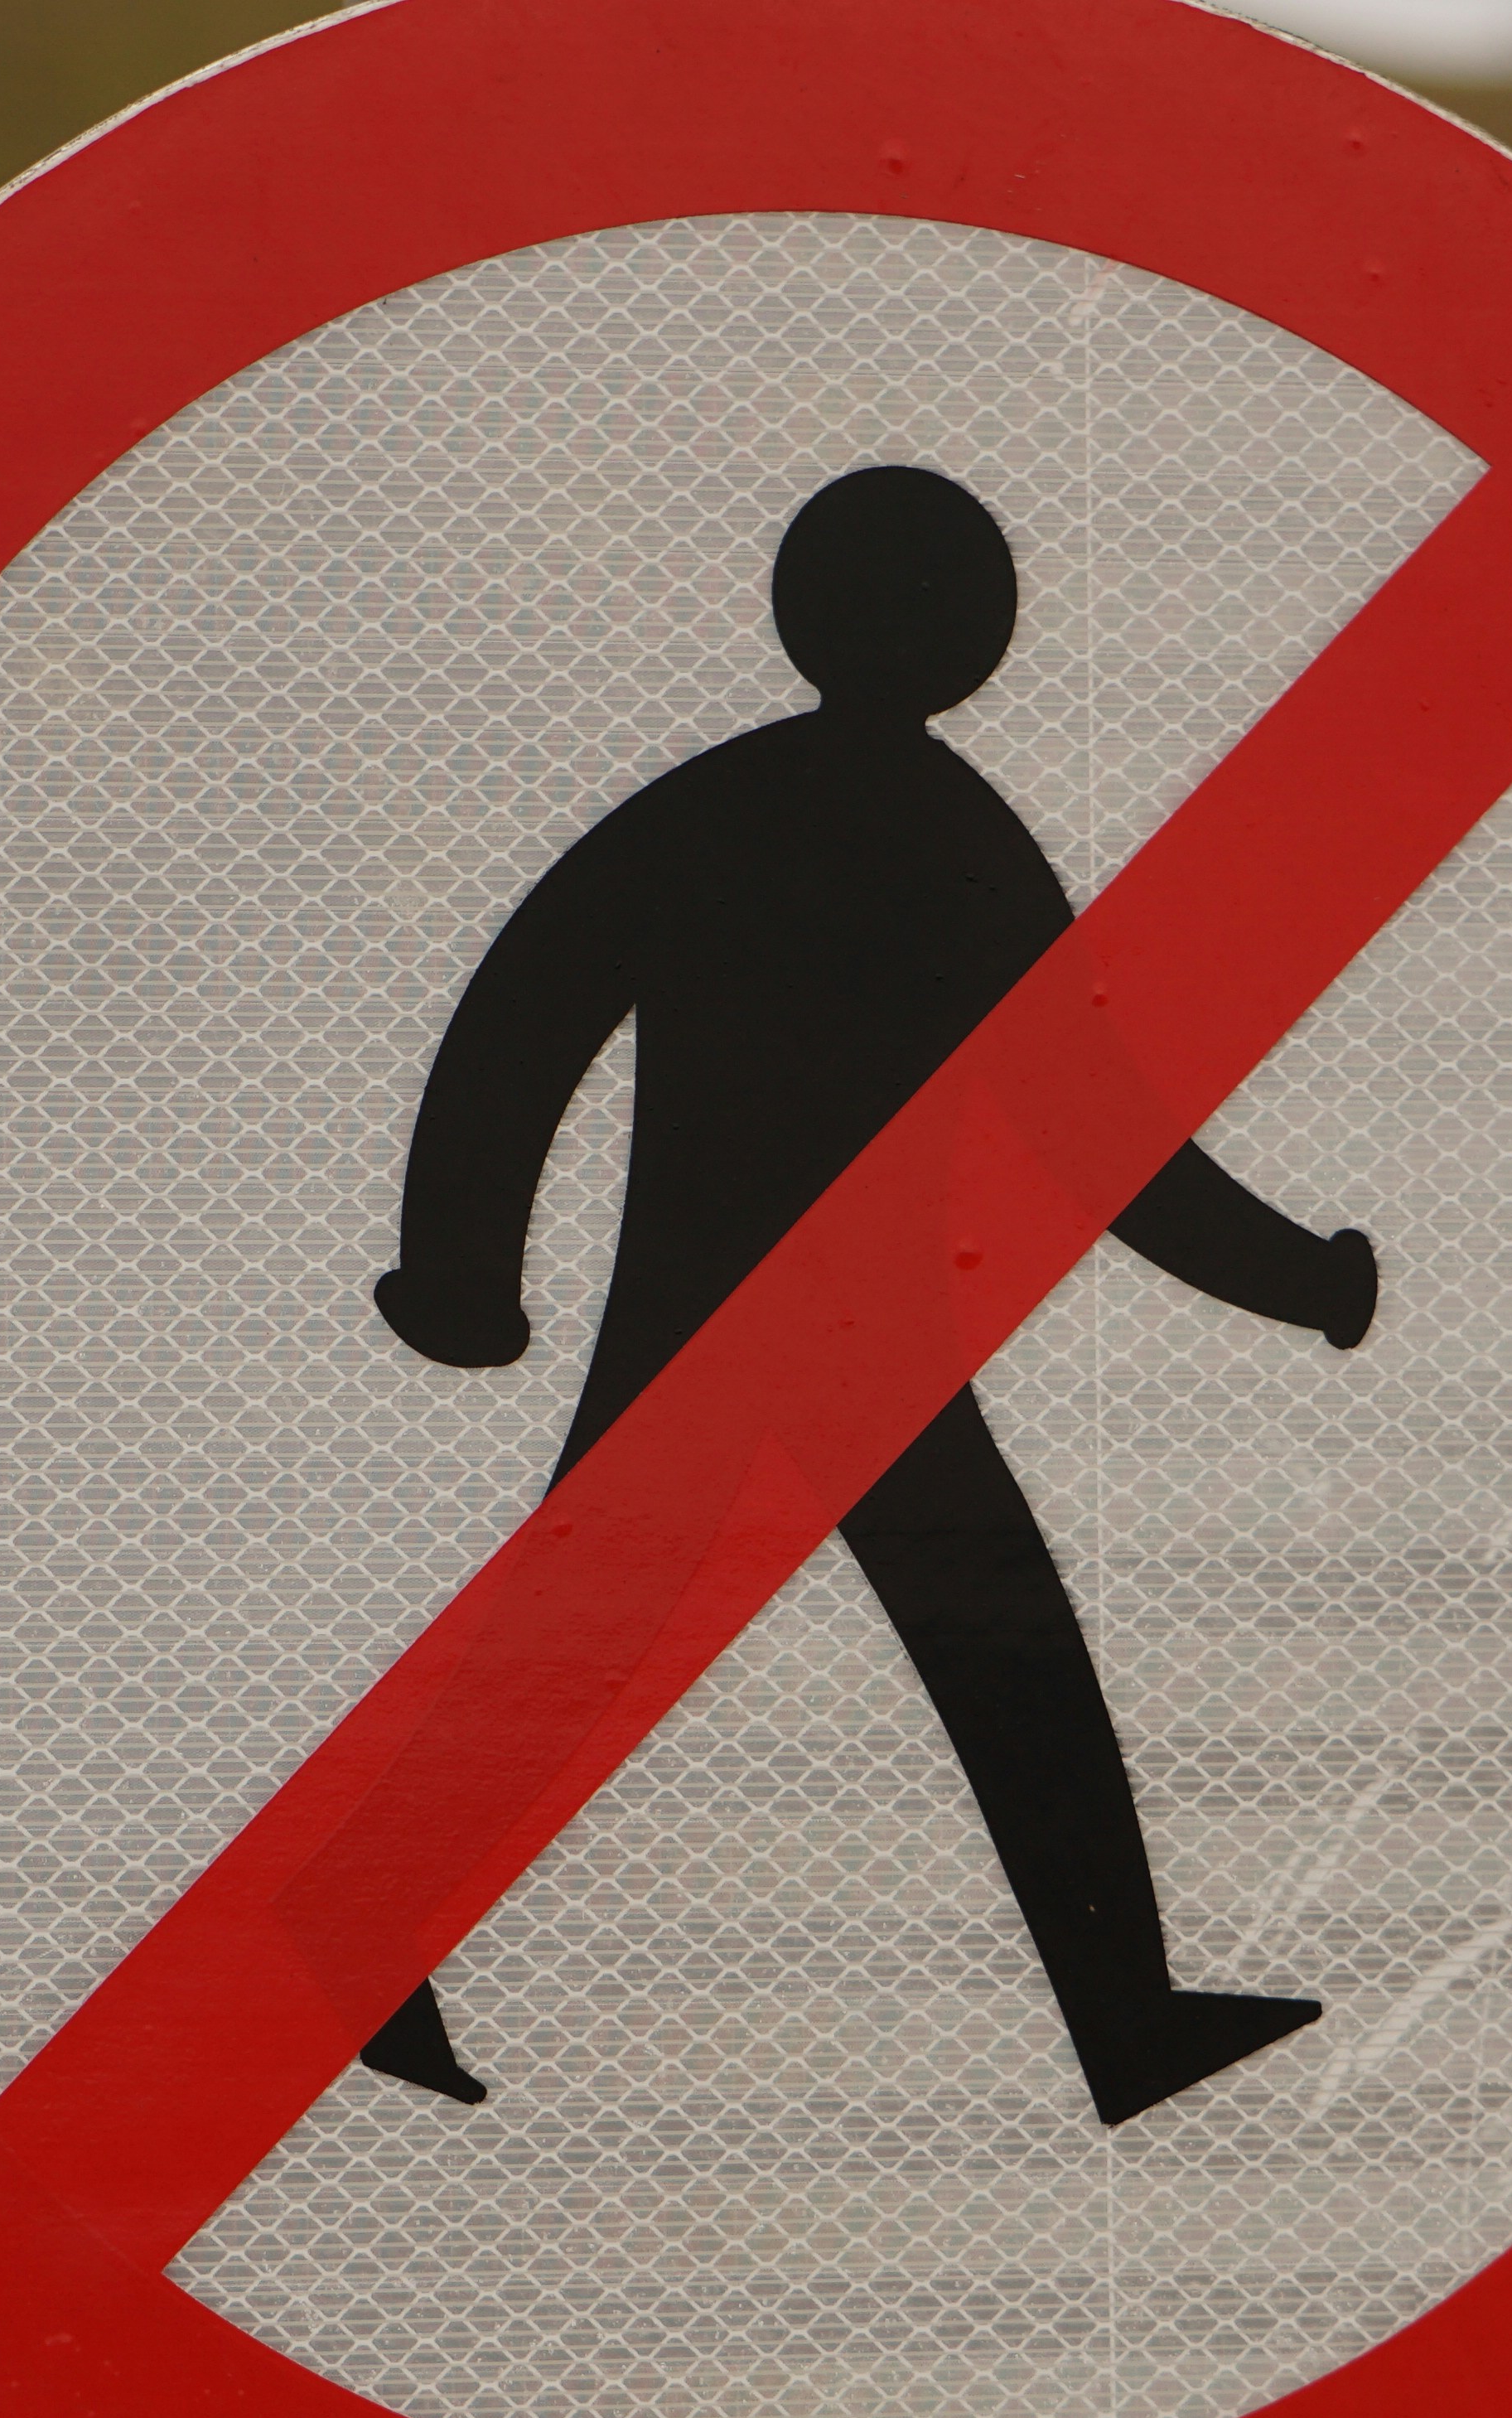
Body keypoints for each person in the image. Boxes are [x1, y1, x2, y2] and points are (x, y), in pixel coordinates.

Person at [360, 463, 1379, 2126]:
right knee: (931, 1651)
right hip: (816, 1342)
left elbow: (522, 1018)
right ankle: (1126, 2019)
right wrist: (1302, 1279)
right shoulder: (951, 834)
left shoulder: (726, 805)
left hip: (778, 1332)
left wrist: (463, 1268)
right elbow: (1100, 1134)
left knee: (655, 1646)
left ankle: (1129, 2018)